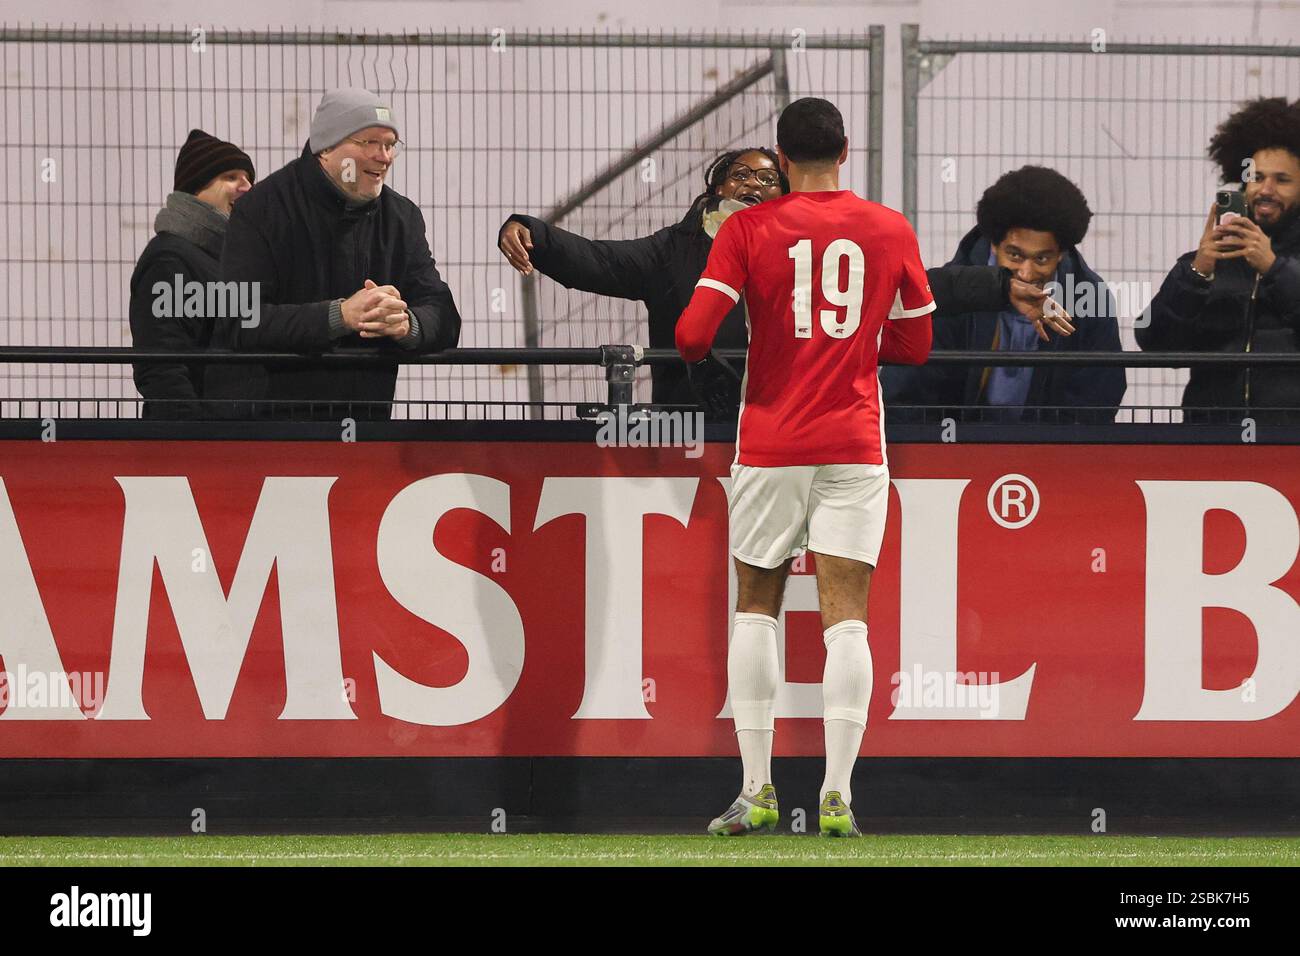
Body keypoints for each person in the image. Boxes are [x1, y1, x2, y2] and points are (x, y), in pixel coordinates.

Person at [675, 97, 935, 838]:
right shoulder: (889, 228)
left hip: (769, 442)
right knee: (845, 622)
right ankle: (839, 795)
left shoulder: (750, 228)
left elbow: (692, 336)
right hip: (854, 443)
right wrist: (850, 353)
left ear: (781, 160)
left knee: (756, 606)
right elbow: (915, 348)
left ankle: (756, 789)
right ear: (846, 151)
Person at [209, 89, 461, 420]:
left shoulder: (402, 218)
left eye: (389, 145)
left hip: (367, 430)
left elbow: (443, 313)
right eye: (369, 142)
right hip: (270, 430)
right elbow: (239, 319)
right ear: (326, 147)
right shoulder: (262, 210)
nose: (383, 156)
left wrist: (406, 324)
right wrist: (338, 316)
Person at [498, 147, 788, 413]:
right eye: (740, 175)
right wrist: (533, 234)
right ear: (718, 188)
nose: (753, 184)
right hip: (690, 429)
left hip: (779, 422)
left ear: (785, 195)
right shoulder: (674, 249)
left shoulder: (802, 252)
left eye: (768, 179)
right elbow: (599, 261)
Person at [883, 166, 1126, 423]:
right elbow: (906, 394)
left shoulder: (1088, 298)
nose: (1026, 272)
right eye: (1015, 255)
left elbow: (1098, 397)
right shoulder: (951, 297)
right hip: (956, 451)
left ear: (1062, 253)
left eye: (1042, 258)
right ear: (993, 243)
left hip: (1047, 453)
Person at [1138, 97, 1300, 423]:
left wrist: (1273, 267)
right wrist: (1196, 273)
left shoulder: (1285, 267)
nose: (1266, 189)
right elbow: (1154, 341)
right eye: (1257, 177)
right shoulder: (1207, 263)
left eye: (1282, 180)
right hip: (1211, 444)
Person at [128, 130, 254, 419]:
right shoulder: (170, 260)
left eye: (248, 178)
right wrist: (192, 435)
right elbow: (161, 365)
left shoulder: (227, 258)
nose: (247, 187)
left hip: (230, 436)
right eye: (231, 177)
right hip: (198, 445)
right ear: (197, 186)